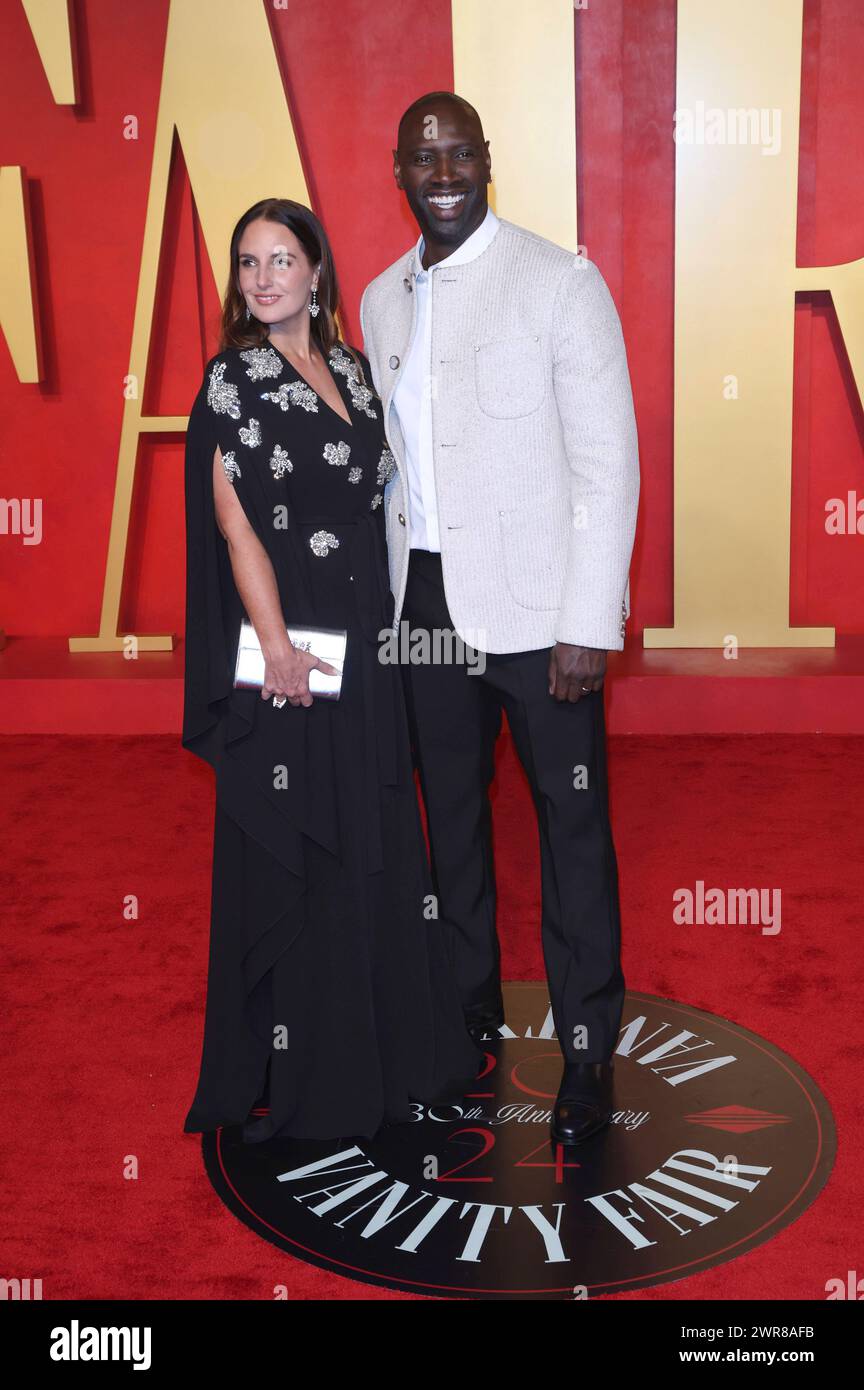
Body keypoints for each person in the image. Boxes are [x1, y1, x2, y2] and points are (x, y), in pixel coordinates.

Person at [360, 94, 640, 1145]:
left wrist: (586, 618)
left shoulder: (558, 280)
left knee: (572, 827)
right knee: (456, 828)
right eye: (423, 155)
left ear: (488, 161)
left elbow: (608, 461)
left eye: (459, 151)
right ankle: (468, 1016)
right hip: (425, 603)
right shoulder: (385, 300)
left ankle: (584, 1052)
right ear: (398, 171)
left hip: (539, 611)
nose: (443, 170)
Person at [181, 197, 482, 1144]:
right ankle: (316, 1074)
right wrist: (272, 647)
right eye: (247, 263)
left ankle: (391, 1053)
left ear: (317, 271)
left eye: (281, 259)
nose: (263, 278)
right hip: (294, 648)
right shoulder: (232, 380)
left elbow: (385, 503)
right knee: (306, 846)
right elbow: (235, 527)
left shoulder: (352, 368)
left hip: (370, 640)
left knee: (375, 836)